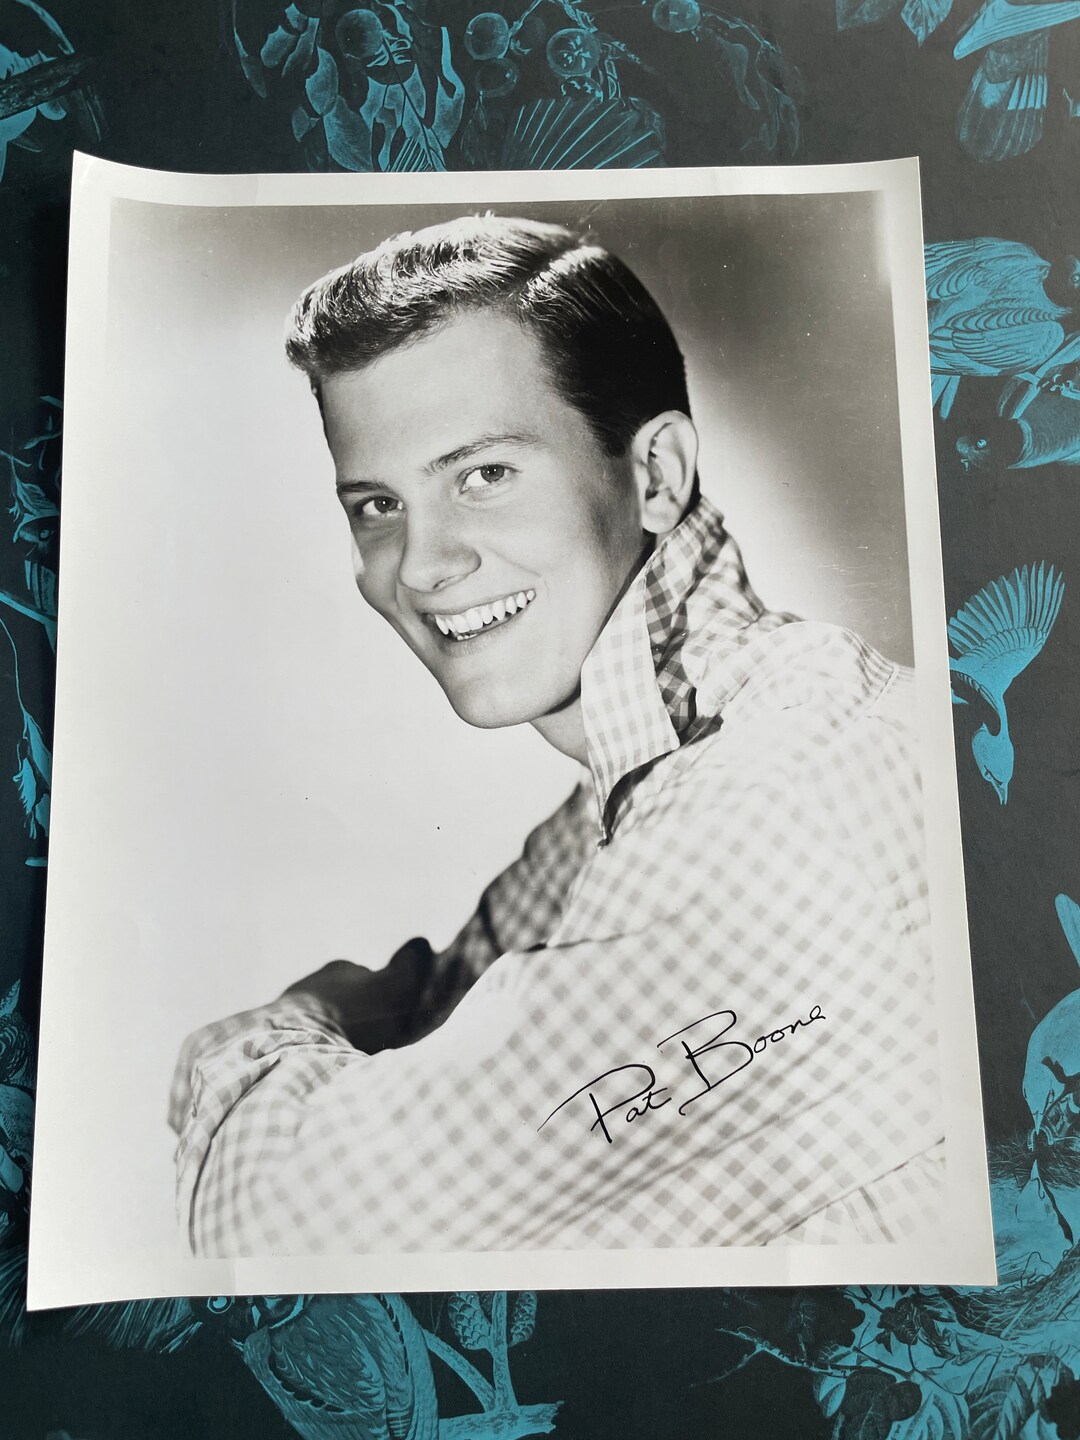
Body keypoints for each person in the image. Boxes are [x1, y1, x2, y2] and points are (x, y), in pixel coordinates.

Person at [169, 215, 945, 1257]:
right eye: (377, 505)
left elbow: (273, 1228)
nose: (423, 564)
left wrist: (288, 1023)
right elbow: (452, 1000)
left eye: (484, 475)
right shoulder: (627, 795)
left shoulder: (774, 795)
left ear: (656, 476)